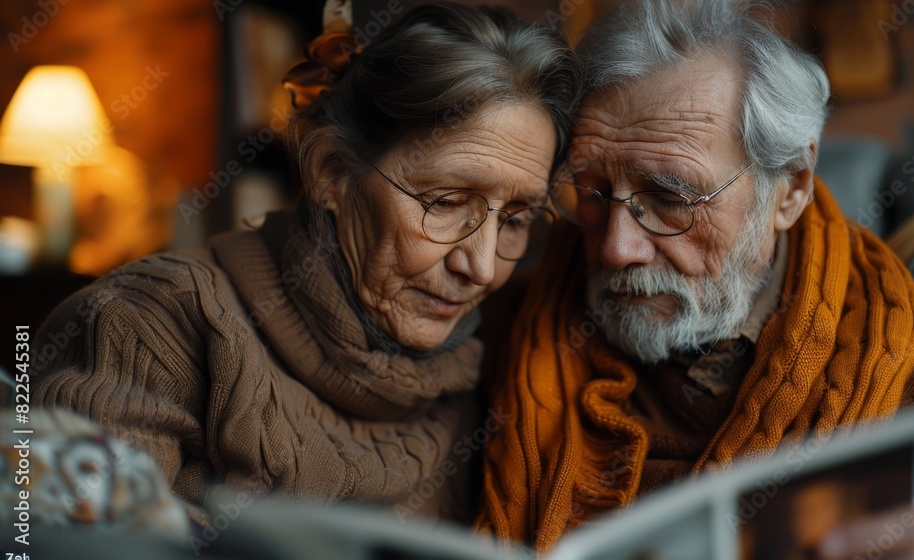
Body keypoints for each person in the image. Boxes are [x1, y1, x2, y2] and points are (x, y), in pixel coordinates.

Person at [477, 0, 914, 556]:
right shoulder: (499, 329)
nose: (615, 248)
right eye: (593, 192)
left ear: (790, 190)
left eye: (669, 197)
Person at [31, 0, 579, 525]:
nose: (481, 268)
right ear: (333, 172)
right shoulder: (151, 328)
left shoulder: (489, 374)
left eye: (515, 219)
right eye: (445, 203)